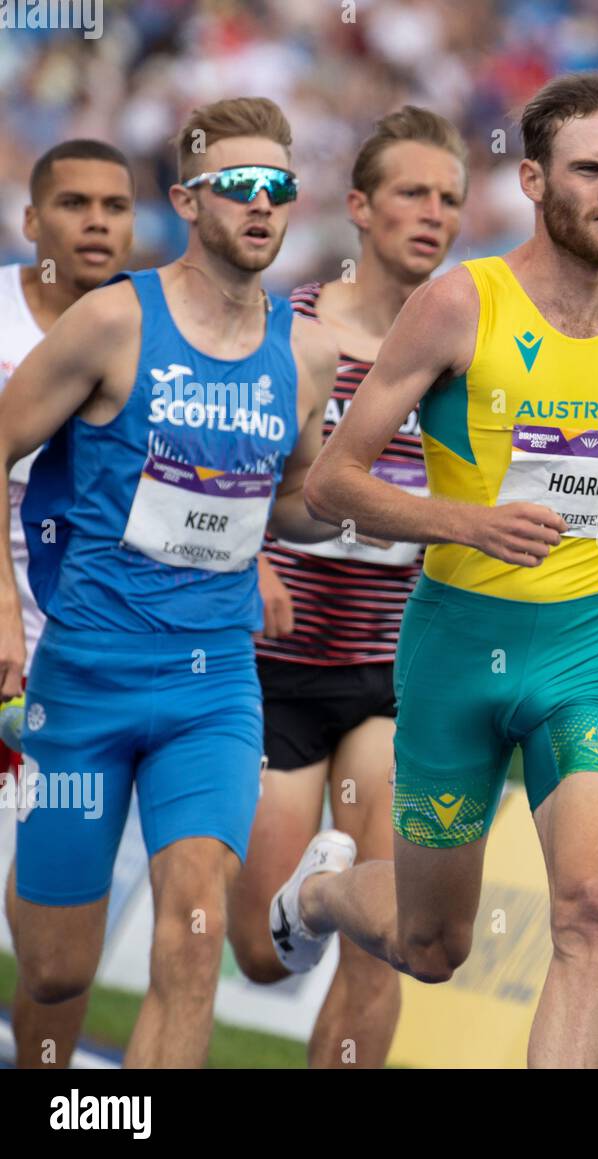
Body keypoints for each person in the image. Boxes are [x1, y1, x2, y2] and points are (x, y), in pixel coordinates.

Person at [269, 72, 598, 1068]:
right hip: (455, 650)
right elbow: (336, 482)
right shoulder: (456, 306)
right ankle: (323, 889)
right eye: (590, 170)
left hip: (585, 650)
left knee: (592, 907)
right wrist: (467, 522)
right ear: (531, 178)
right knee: (434, 947)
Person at [0, 97, 339, 1068]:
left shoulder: (304, 351)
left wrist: (385, 511)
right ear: (188, 201)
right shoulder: (112, 320)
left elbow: (295, 502)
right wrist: (6, 626)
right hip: (85, 680)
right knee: (57, 967)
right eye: (239, 187)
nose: (263, 205)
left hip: (214, 690)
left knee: (191, 939)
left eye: (279, 187)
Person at [226, 106, 468, 1069]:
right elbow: (210, 467)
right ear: (360, 208)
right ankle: (312, 894)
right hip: (274, 672)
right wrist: (245, 555)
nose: (434, 214)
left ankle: (339, 893)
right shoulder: (286, 330)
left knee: (395, 942)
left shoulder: (467, 345)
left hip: (396, 673)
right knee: (259, 953)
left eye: (451, 198)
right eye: (413, 193)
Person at [0, 138, 135, 1069]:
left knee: (62, 922)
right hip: (5, 630)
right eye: (76, 203)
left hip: (85, 660)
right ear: (32, 221)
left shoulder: (143, 328)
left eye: (115, 207)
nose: (96, 222)